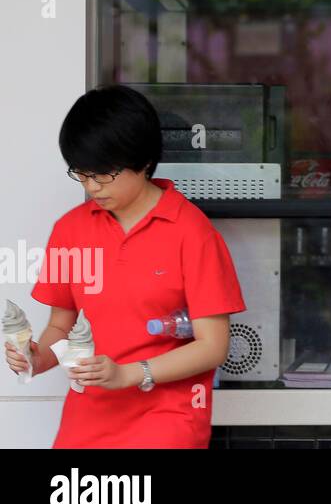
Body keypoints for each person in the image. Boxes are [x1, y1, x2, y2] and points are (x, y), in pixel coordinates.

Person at [3, 85, 245, 448]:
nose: (91, 186)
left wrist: (131, 374)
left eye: (103, 174)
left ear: (144, 161)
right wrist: (37, 358)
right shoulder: (71, 230)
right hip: (89, 415)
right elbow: (62, 327)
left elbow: (212, 346)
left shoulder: (192, 232)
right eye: (81, 174)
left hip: (167, 416)